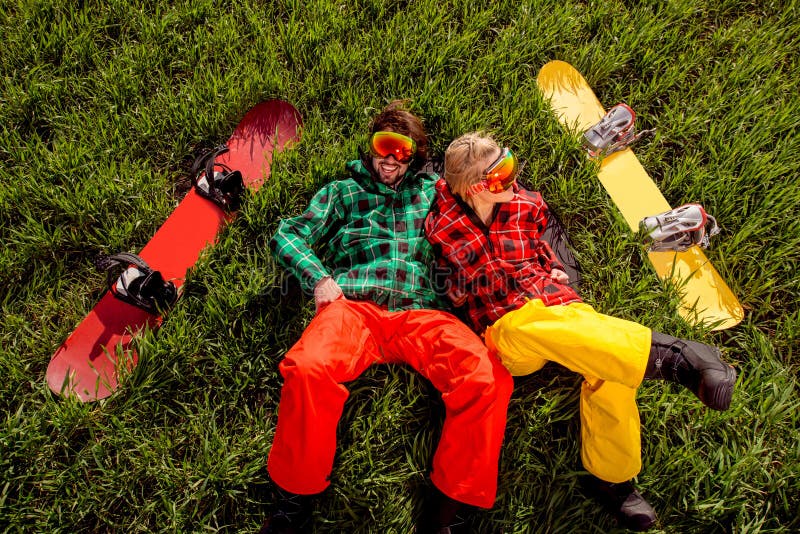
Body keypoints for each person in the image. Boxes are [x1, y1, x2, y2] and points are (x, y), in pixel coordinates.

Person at [424, 132, 738, 531]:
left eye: (510, 164)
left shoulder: (526, 204)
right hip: (507, 329)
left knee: (608, 366)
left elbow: (545, 238)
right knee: (527, 327)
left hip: (558, 306)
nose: (514, 177)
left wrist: (555, 266)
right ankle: (673, 357)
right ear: (474, 189)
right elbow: (450, 270)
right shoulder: (445, 224)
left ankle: (611, 479)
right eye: (501, 175)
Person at [261, 105, 514, 533]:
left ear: (415, 155)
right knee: (308, 369)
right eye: (384, 145)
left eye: (403, 149)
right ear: (372, 146)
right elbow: (289, 234)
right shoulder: (343, 193)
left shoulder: (435, 191)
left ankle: (451, 509)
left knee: (487, 378)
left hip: (424, 312)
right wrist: (319, 278)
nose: (391, 158)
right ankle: (293, 499)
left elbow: (488, 200)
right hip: (355, 307)